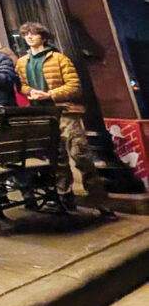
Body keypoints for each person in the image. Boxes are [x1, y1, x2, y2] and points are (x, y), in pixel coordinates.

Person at [14, 21, 109, 212]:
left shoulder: (58, 59)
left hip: (65, 112)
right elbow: (21, 85)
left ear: (43, 37)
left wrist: (49, 94)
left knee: (79, 154)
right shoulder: (22, 62)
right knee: (56, 158)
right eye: (26, 34)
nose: (30, 37)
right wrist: (30, 91)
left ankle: (99, 200)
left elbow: (74, 87)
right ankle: (65, 198)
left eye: (33, 33)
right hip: (43, 115)